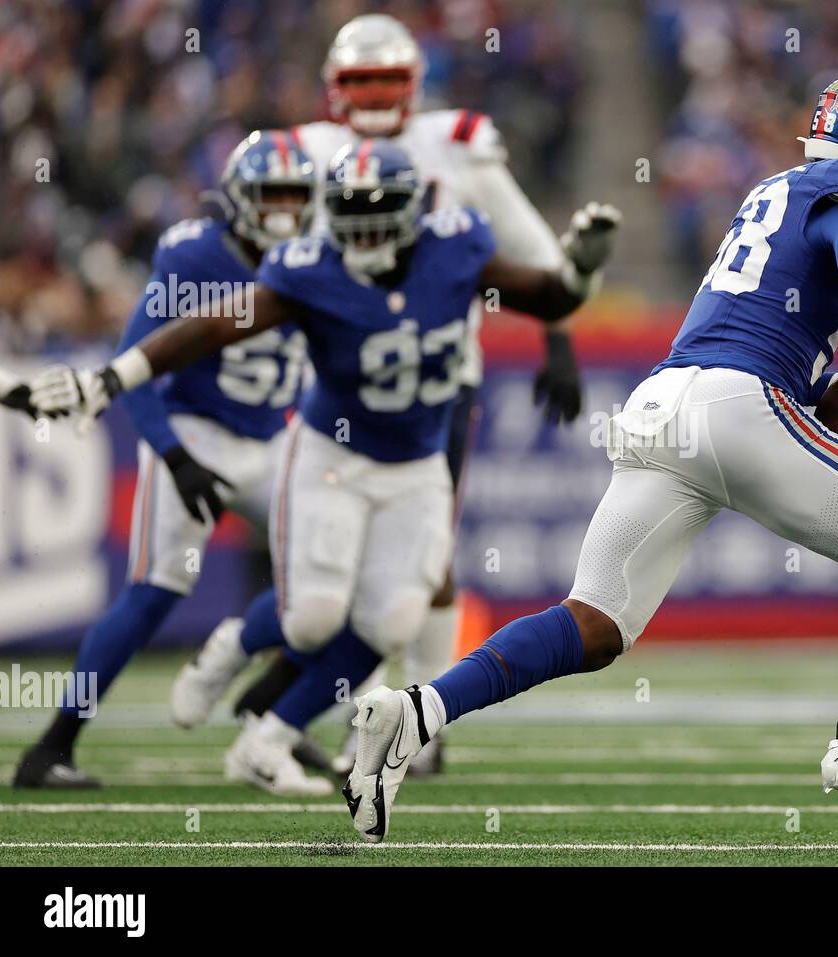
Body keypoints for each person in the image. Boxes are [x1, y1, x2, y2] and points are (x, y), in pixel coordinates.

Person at [339, 71, 838, 843]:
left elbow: (783, 329)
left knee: (593, 623)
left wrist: (823, 393)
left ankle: (414, 712)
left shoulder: (780, 186)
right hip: (739, 401)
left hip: (662, 403)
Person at [30, 139, 617, 794]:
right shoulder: (291, 263)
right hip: (272, 441)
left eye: (378, 208)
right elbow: (208, 329)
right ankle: (102, 717)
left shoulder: (455, 247)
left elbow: (551, 293)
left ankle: (269, 729)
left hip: (382, 454)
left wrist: (580, 272)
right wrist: (120, 387)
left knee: (388, 618)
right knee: (289, 608)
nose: (362, 223)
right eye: (350, 208)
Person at [221, 13, 595, 776]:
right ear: (335, 86)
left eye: (389, 79)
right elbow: (269, 253)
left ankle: (412, 720)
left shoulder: (454, 145)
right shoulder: (307, 150)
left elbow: (531, 247)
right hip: (332, 381)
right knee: (338, 577)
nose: (376, 95)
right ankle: (287, 681)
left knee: (419, 569)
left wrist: (558, 340)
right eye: (361, 81)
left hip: (435, 385)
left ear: (415, 82)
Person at [12, 130, 315, 789]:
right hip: (195, 430)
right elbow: (133, 364)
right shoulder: (194, 254)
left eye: (296, 193)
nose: (286, 209)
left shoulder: (318, 258)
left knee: (333, 574)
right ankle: (52, 746)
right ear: (238, 199)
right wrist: (176, 457)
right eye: (272, 195)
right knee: (155, 591)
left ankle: (276, 712)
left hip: (271, 439)